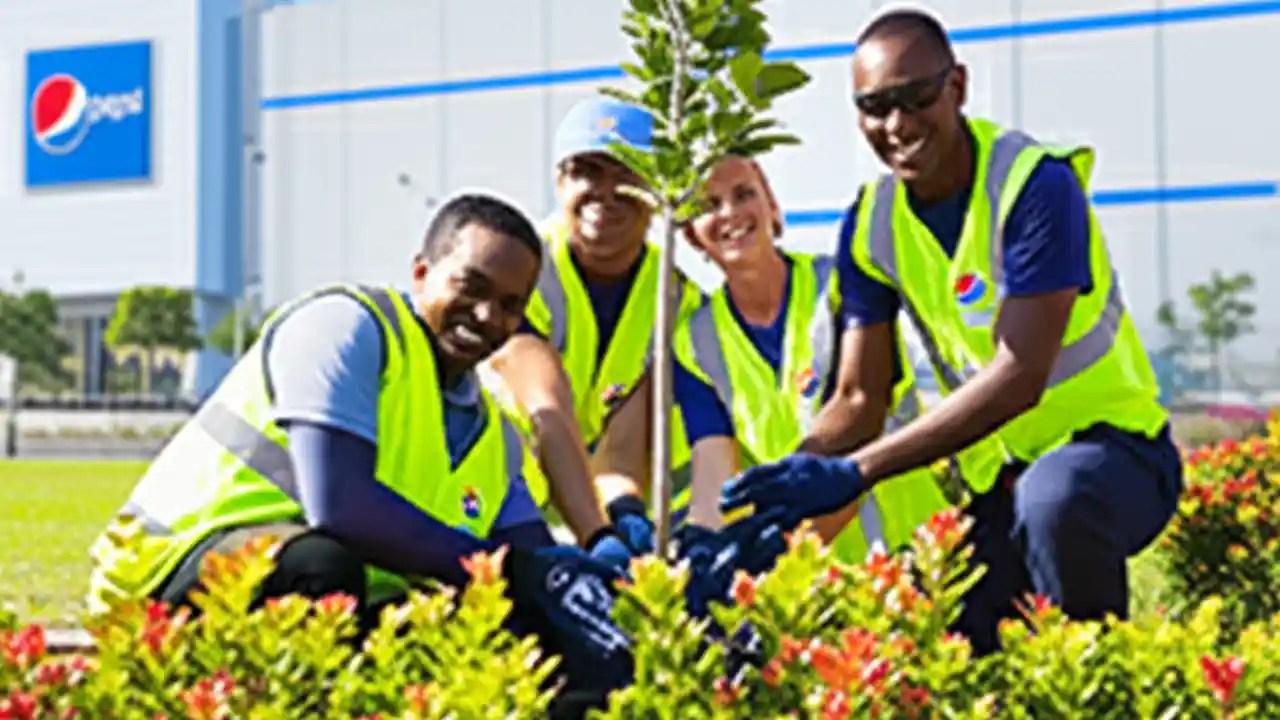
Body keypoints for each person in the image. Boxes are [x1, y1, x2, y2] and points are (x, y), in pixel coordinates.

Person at [717, 8, 1184, 655]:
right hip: (1004, 480)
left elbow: (1020, 376)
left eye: (918, 97)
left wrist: (857, 470)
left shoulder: (1034, 186)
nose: (898, 124)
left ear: (958, 86)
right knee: (942, 619)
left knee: (1055, 504)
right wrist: (795, 474)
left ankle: (1100, 690)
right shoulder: (872, 223)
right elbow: (859, 397)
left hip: (1115, 457)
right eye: (876, 106)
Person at [87, 193, 633, 700]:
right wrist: (516, 570)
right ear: (421, 274)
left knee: (530, 625)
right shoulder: (347, 327)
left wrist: (587, 583)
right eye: (471, 287)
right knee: (320, 565)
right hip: (174, 572)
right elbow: (339, 506)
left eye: (510, 305)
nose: (488, 316)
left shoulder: (493, 438)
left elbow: (531, 560)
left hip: (333, 597)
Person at [669, 155, 951, 568]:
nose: (729, 213)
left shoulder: (844, 287)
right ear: (692, 236)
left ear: (772, 206)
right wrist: (703, 550)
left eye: (744, 194)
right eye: (708, 206)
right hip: (814, 578)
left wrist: (774, 556)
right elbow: (714, 474)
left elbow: (861, 427)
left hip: (911, 547)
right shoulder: (695, 341)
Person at [483, 97, 704, 568]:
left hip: (581, 505)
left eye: (627, 173)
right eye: (587, 172)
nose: (605, 192)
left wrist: (625, 508)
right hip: (495, 500)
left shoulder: (674, 299)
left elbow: (622, 446)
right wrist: (597, 533)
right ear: (561, 183)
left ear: (657, 188)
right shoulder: (521, 268)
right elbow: (547, 411)